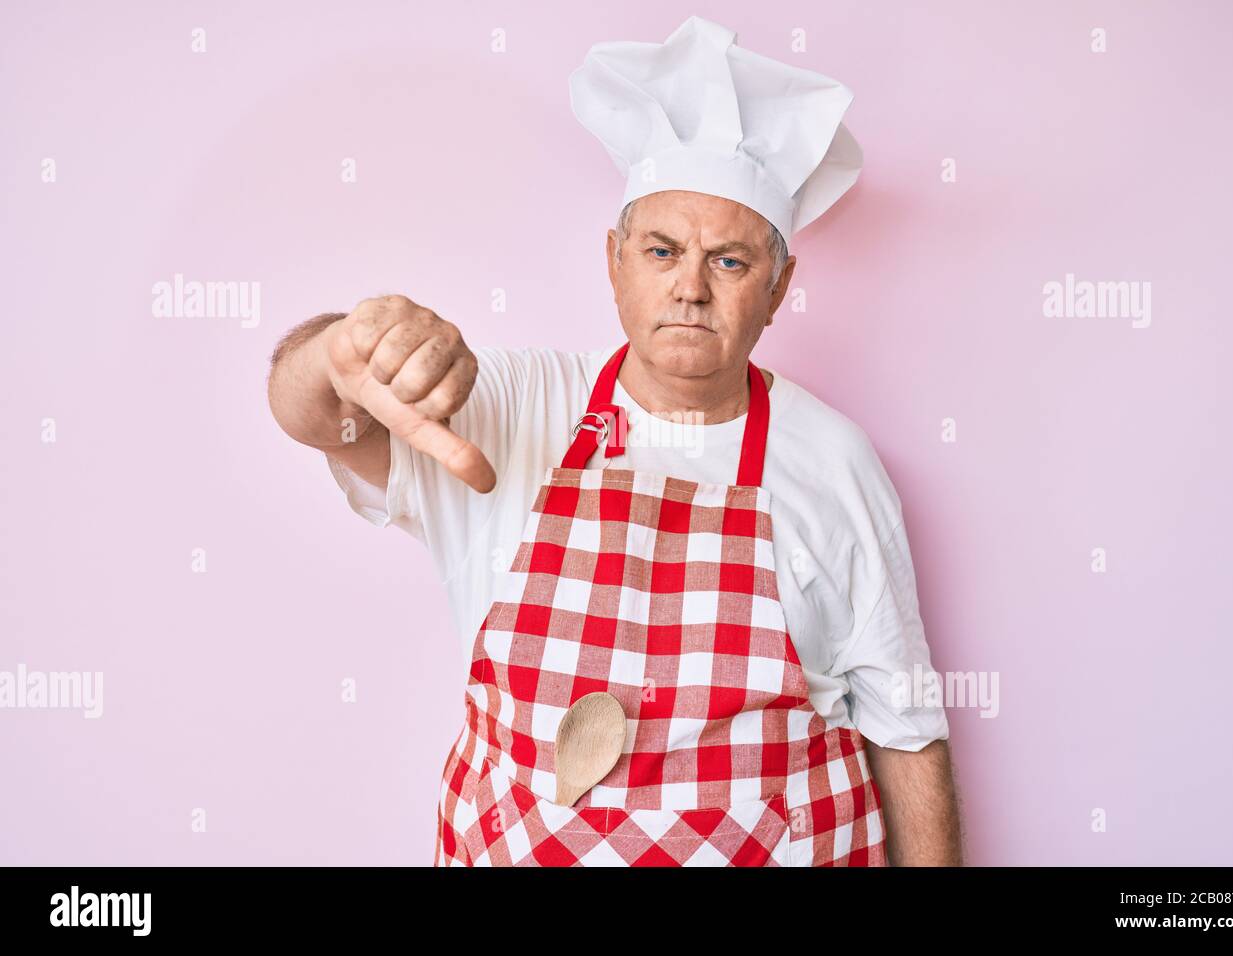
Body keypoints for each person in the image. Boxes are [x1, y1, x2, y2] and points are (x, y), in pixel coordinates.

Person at [267, 15, 962, 866]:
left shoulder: (837, 462)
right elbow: (315, 414)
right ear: (614, 260)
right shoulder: (511, 404)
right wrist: (337, 358)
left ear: (779, 290)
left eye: (732, 263)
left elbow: (907, 730)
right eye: (661, 250)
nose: (690, 289)